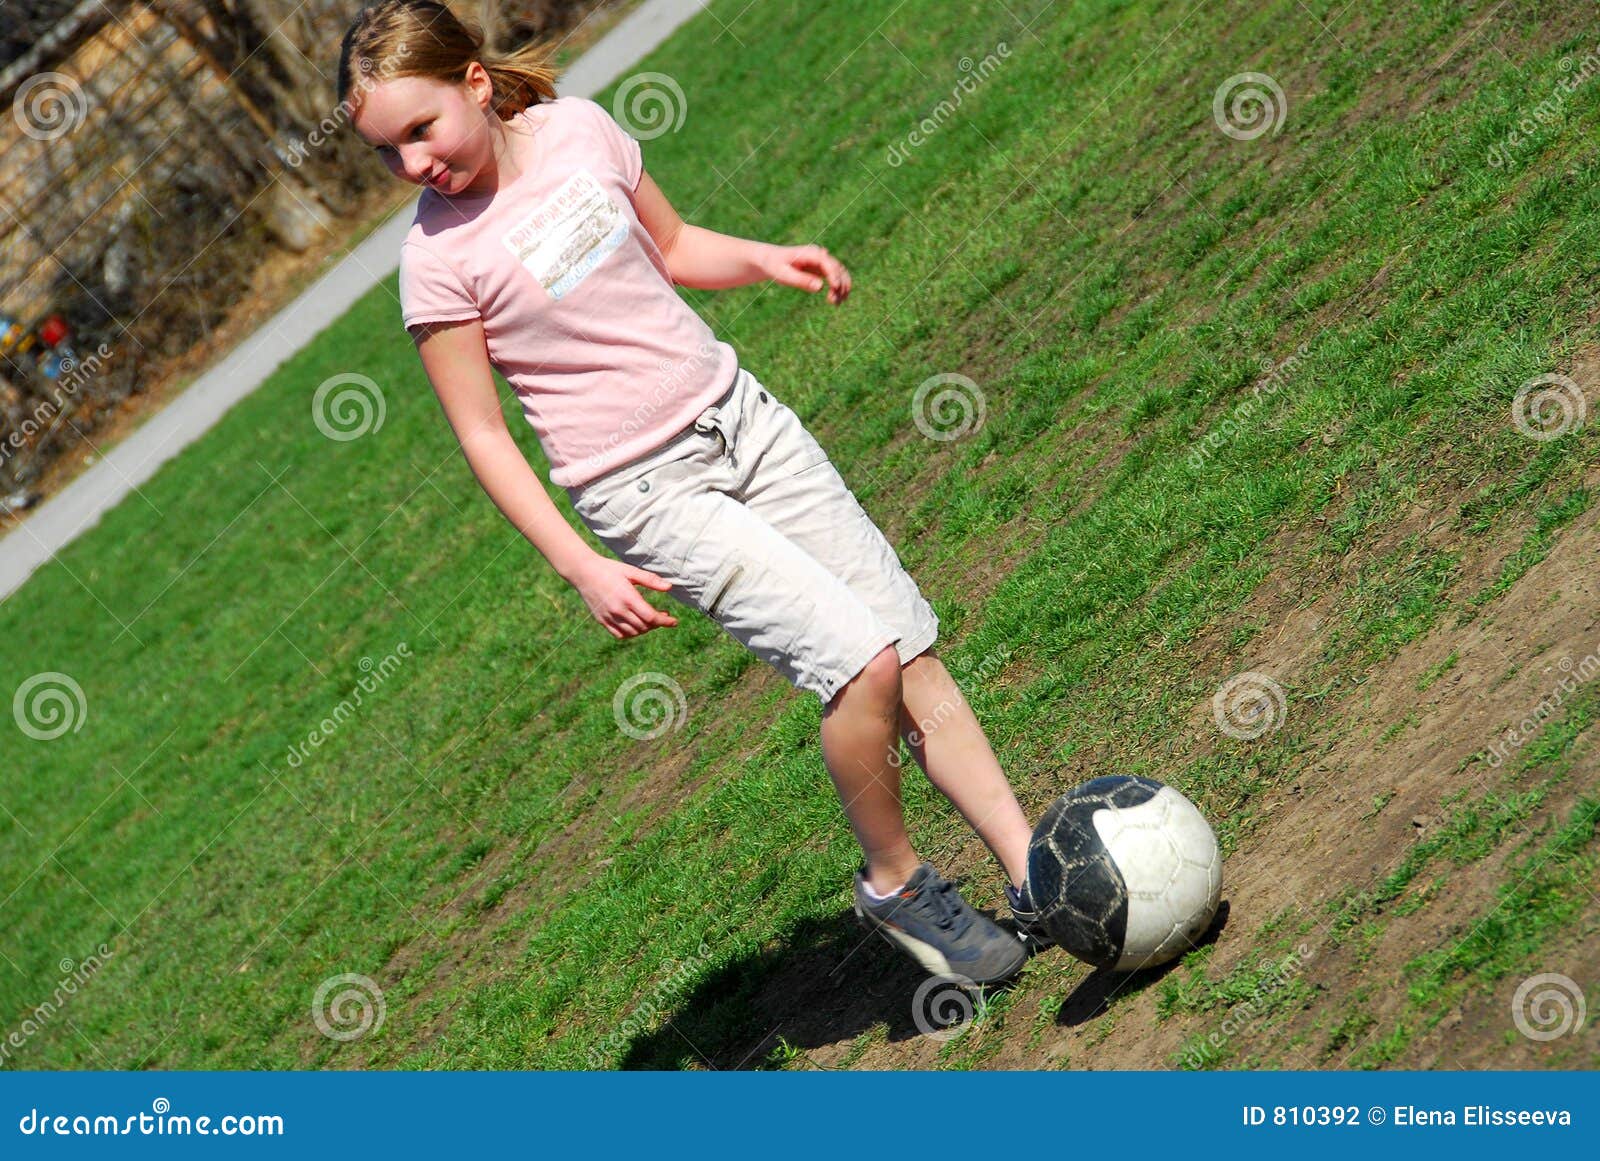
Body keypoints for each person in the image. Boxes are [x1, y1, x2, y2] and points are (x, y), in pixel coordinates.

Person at [338, 0, 1053, 985]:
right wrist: (580, 564)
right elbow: (482, 434)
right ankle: (895, 880)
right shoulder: (437, 262)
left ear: (473, 83)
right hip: (643, 490)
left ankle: (1032, 872)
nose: (412, 164)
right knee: (860, 666)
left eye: (420, 131)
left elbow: (671, 248)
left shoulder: (578, 130)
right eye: (388, 151)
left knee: (908, 650)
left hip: (744, 422)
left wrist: (761, 257)